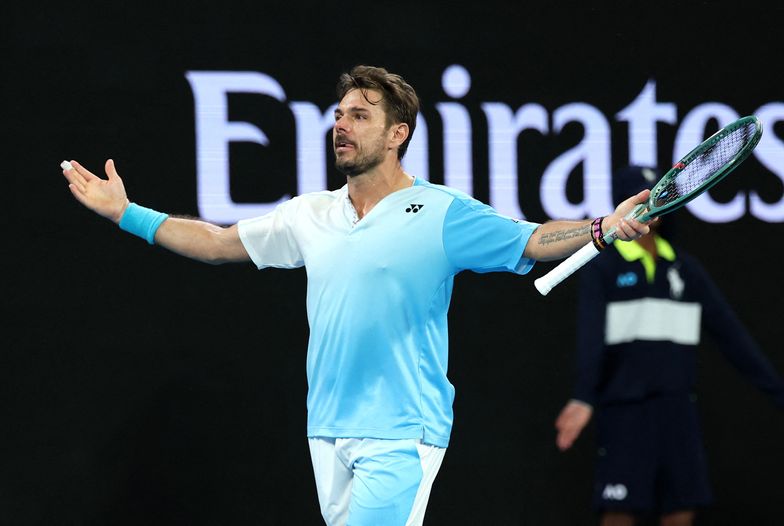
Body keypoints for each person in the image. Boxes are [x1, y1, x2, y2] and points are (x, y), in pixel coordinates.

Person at [61, 65, 652, 526]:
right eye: (339, 115)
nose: (341, 126)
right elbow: (217, 243)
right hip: (327, 427)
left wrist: (602, 227)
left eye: (360, 116)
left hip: (402, 428)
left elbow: (534, 238)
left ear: (398, 134)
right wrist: (127, 213)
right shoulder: (309, 214)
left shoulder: (442, 212)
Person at [554, 165, 784, 526]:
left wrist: (778, 392)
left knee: (681, 509)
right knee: (619, 511)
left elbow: (733, 338)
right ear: (624, 204)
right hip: (625, 410)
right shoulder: (605, 267)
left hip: (678, 411)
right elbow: (590, 338)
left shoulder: (685, 269)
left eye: (658, 198)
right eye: (642, 200)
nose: (651, 207)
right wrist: (583, 397)